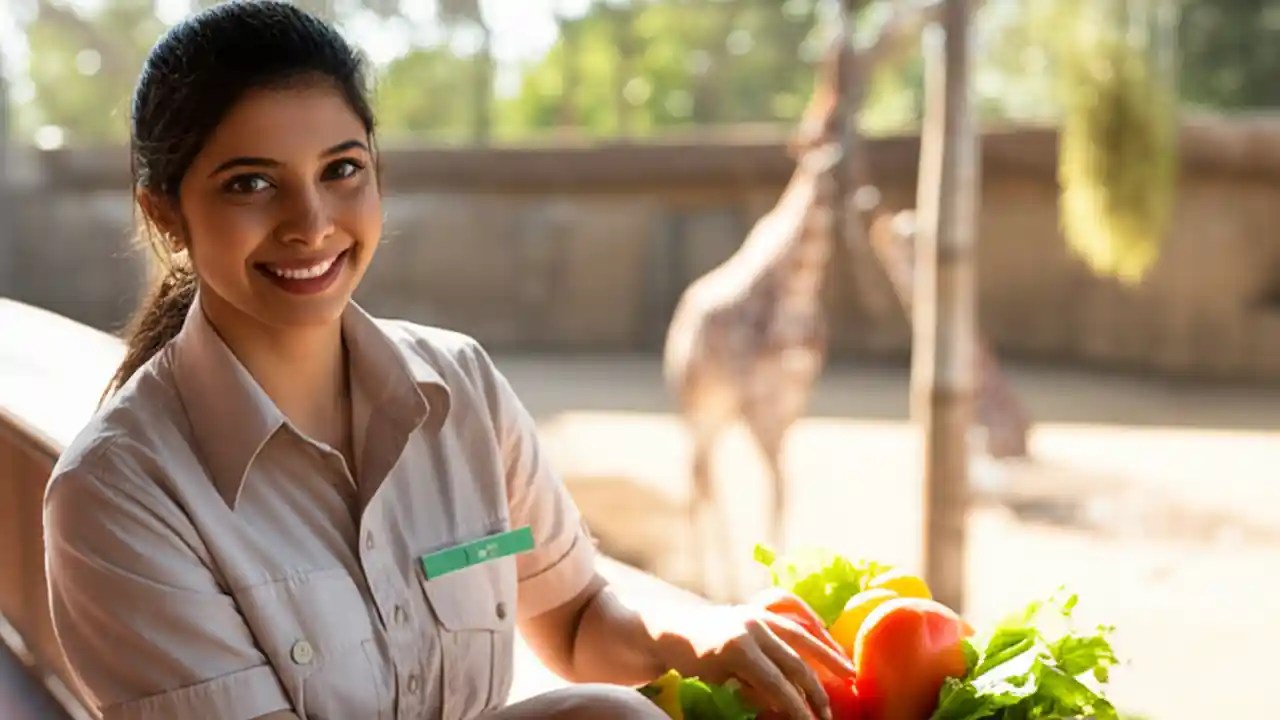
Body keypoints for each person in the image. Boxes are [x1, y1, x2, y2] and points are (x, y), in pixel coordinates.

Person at [42, 2, 855, 719]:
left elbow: (574, 618)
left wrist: (700, 631)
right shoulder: (115, 498)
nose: (312, 222)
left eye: (342, 170)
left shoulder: (461, 388)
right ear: (165, 213)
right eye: (251, 183)